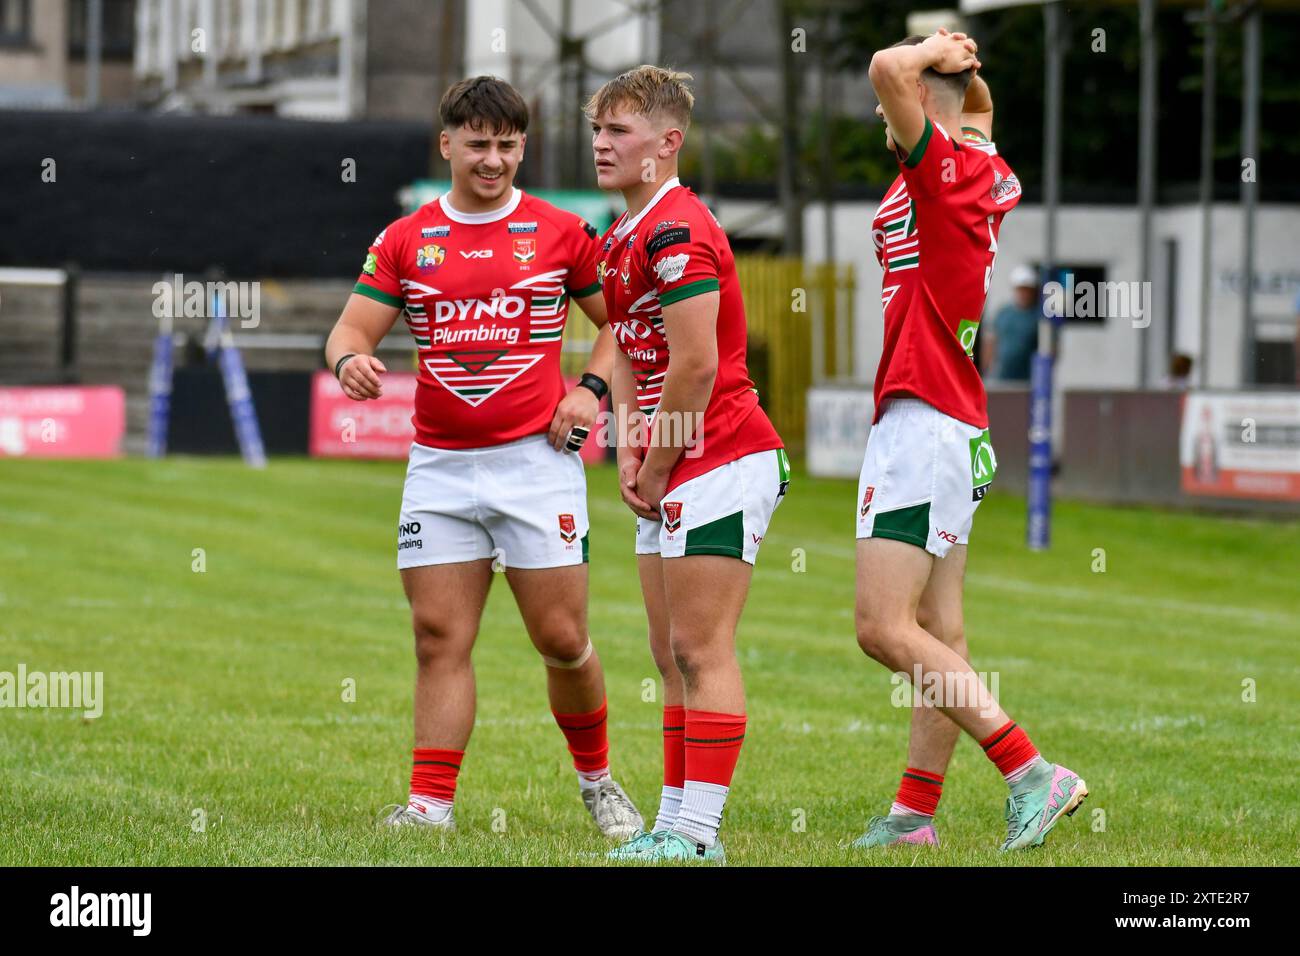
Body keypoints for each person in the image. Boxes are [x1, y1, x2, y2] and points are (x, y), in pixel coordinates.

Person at [324, 76, 642, 839]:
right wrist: (349, 365)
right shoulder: (405, 237)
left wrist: (590, 391)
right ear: (448, 145)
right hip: (438, 467)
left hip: (535, 465)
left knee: (562, 640)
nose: (493, 160)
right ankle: (429, 808)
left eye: (507, 145)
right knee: (439, 637)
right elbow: (347, 333)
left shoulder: (563, 231)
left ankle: (600, 784)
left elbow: (623, 325)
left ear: (521, 146)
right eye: (478, 144)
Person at [854, 30, 1087, 852]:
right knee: (939, 632)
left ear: (919, 110)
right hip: (950, 418)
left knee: (882, 627)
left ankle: (1031, 772)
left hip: (923, 417)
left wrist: (929, 46)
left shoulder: (940, 169)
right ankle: (915, 816)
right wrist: (964, 67)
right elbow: (974, 109)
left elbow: (887, 67)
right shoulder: (977, 163)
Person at [587, 65, 791, 863]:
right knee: (667, 649)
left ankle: (697, 835)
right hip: (674, 460)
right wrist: (631, 446)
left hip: (725, 457)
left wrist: (659, 459)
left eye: (620, 132)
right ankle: (672, 824)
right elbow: (636, 355)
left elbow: (698, 364)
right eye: (598, 130)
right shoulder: (620, 235)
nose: (602, 144)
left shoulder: (677, 230)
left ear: (668, 143)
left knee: (703, 650)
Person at [981, 264, 1040, 382]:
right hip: (1000, 377)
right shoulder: (1003, 313)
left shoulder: (1039, 316)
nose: (1023, 293)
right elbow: (990, 343)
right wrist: (985, 371)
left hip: (1028, 380)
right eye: (1020, 289)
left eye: (1027, 289)